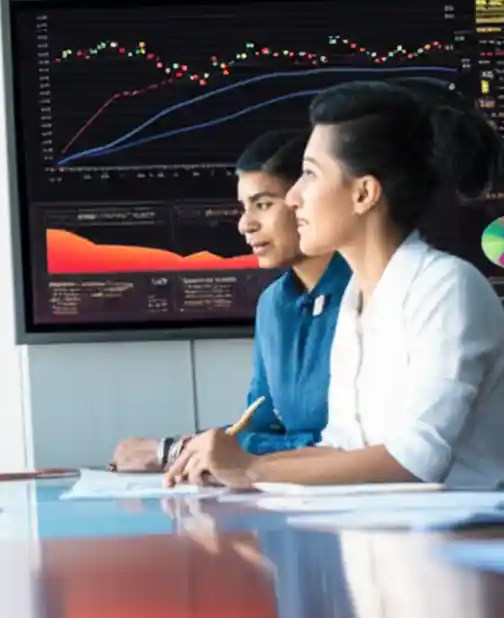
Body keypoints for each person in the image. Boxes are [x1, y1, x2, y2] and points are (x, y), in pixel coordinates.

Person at [167, 79, 504, 488]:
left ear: (364, 194)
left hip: (459, 541)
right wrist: (219, 465)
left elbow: (416, 459)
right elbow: (340, 448)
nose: (293, 197)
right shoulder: (356, 299)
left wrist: (250, 468)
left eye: (309, 174)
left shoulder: (447, 287)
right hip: (382, 537)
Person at [111, 129, 351, 471]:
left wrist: (181, 450)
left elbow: (350, 443)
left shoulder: (366, 291)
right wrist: (203, 449)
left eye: (263, 204)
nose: (245, 225)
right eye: (244, 207)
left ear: (307, 199)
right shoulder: (274, 304)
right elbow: (256, 425)